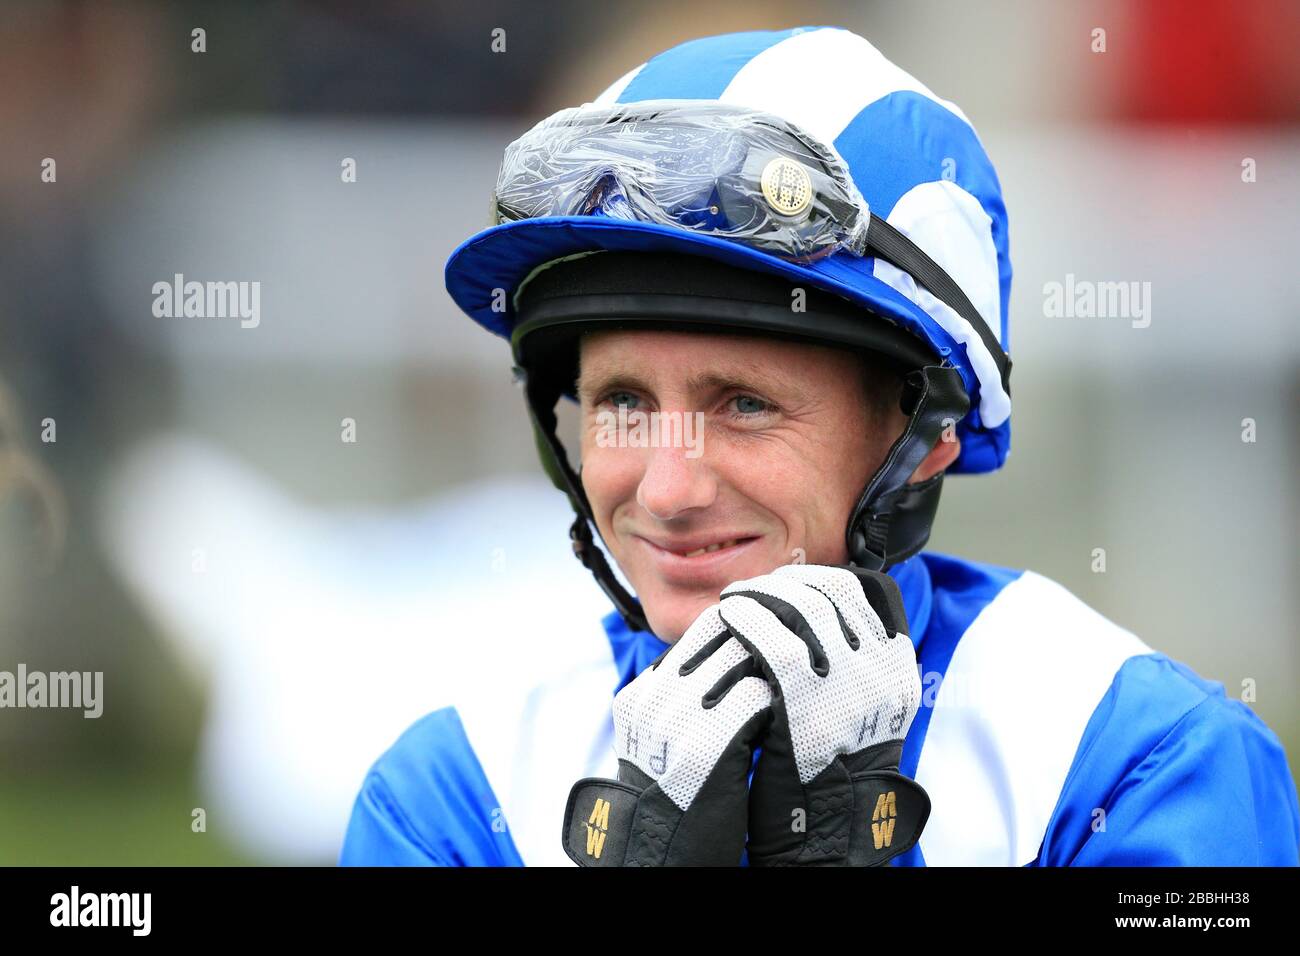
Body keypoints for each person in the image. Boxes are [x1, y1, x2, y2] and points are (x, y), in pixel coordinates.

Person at [340, 25, 1300, 866]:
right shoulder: (454, 799)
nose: (667, 491)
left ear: (928, 433)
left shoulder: (1142, 767)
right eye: (624, 403)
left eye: (746, 405)